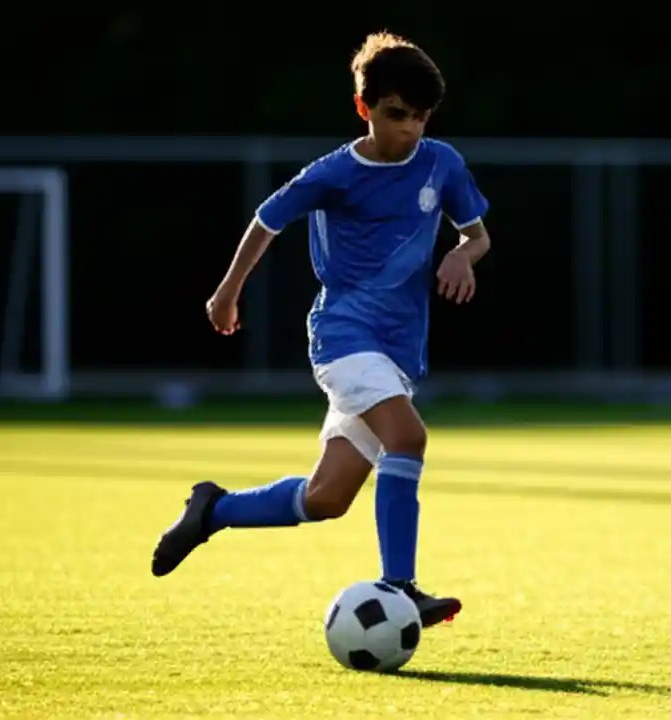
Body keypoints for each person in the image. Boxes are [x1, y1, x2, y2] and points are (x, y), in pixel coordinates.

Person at [149, 31, 491, 629]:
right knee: (407, 439)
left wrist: (465, 251)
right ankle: (400, 586)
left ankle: (213, 510)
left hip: (396, 353)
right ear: (365, 107)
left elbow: (478, 232)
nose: (409, 128)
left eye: (420, 116)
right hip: (344, 337)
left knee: (327, 498)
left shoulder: (443, 162)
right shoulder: (335, 172)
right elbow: (265, 222)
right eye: (395, 114)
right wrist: (227, 291)